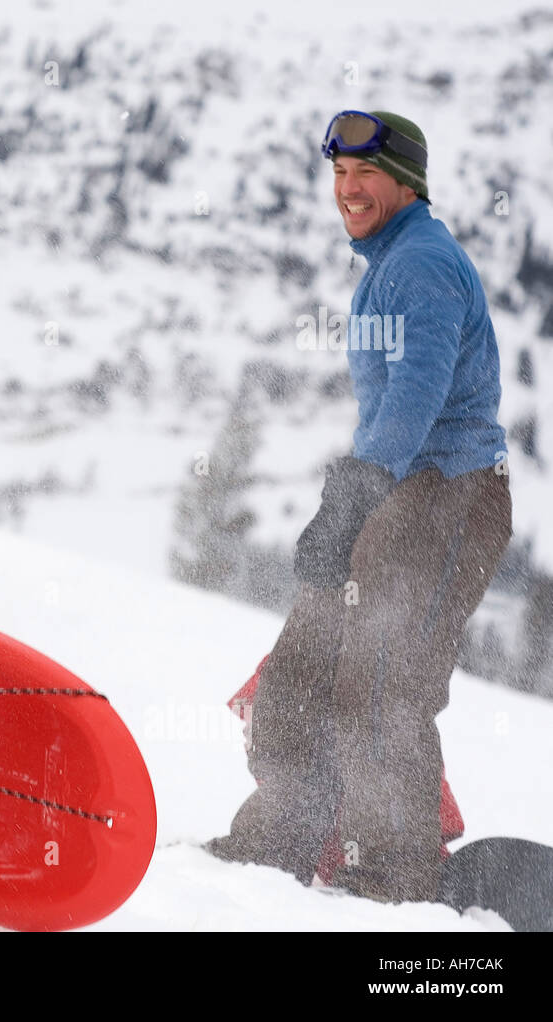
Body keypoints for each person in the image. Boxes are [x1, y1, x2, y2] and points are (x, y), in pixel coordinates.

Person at [208, 111, 512, 904]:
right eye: (339, 174)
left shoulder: (420, 264)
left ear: (408, 182)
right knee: (302, 671)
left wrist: (357, 491)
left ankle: (396, 875)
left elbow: (419, 390)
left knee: (382, 684)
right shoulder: (390, 262)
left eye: (365, 175)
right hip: (393, 487)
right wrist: (356, 495)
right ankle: (279, 838)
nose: (348, 190)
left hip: (448, 494)